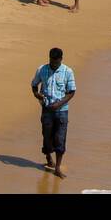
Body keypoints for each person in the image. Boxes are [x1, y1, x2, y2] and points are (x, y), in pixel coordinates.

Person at [31, 47, 75, 178]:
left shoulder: (68, 72)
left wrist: (59, 104)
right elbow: (34, 85)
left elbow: (71, 92)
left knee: (60, 139)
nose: (53, 64)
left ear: (61, 59)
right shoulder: (42, 69)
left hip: (62, 111)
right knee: (47, 136)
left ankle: (57, 168)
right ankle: (48, 157)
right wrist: (37, 94)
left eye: (56, 62)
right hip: (46, 110)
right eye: (51, 61)